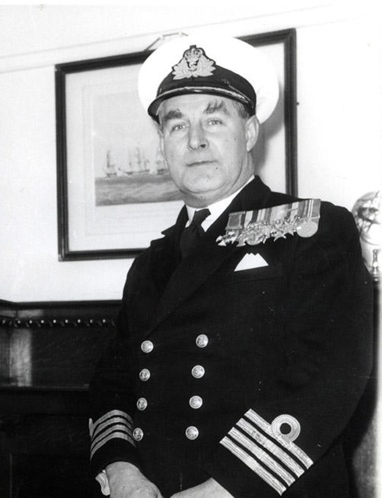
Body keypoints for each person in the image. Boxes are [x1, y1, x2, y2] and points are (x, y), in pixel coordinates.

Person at [88, 34, 374, 498]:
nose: (195, 140)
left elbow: (329, 373)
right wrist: (121, 470)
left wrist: (222, 489)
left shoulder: (313, 230)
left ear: (250, 132)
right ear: (162, 143)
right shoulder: (149, 264)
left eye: (214, 120)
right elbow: (112, 381)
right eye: (177, 125)